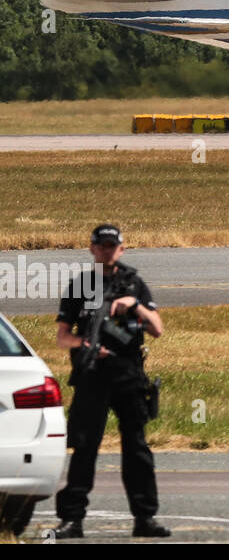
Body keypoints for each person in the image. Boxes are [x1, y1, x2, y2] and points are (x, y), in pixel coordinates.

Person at [50, 224, 170, 539]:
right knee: (85, 447)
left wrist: (135, 306)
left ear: (121, 248)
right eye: (101, 245)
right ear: (92, 249)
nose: (107, 250)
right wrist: (84, 345)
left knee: (137, 448)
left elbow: (157, 329)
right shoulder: (80, 286)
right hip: (93, 374)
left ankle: (145, 518)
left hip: (129, 375)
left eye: (112, 245)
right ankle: (72, 520)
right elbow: (63, 338)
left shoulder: (135, 284)